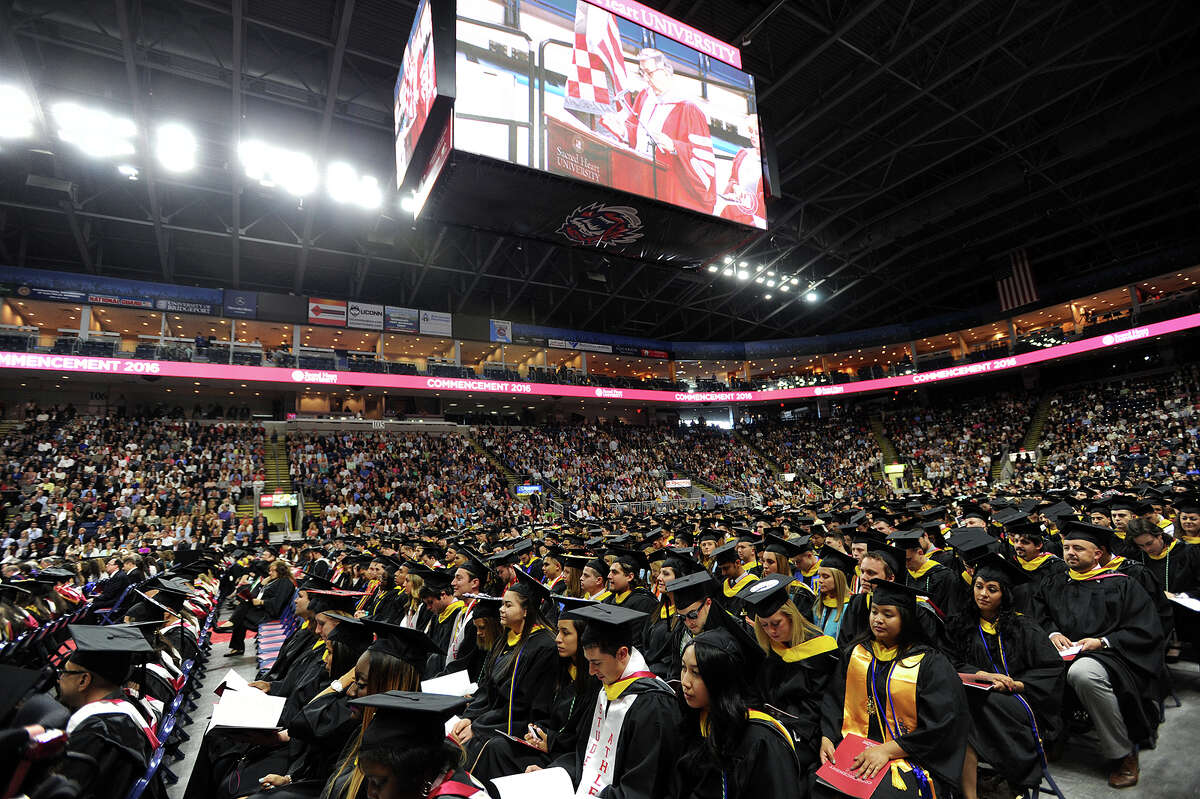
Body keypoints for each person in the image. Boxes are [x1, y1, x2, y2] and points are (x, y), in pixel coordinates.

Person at [1032, 520, 1164, 788]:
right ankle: (1052, 735)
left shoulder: (1122, 584)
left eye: (1078, 548)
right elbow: (1038, 616)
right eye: (1067, 547)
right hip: (1060, 650)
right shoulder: (1053, 581)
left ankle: (1122, 753)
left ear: (1098, 553)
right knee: (1029, 667)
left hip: (1111, 655)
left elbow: (1146, 628)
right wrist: (1052, 633)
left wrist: (1102, 641)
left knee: (1083, 674)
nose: (1070, 552)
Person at [819, 580, 969, 798]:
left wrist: (888, 750)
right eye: (874, 612)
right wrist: (827, 736)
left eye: (888, 614)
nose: (878, 620)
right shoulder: (856, 654)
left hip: (910, 756)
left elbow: (943, 725)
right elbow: (834, 700)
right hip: (855, 749)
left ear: (905, 619)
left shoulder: (930, 664)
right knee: (819, 787)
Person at [948, 555, 1065, 799]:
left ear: (1005, 594)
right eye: (978, 586)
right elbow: (950, 661)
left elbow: (1051, 668)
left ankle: (1010, 777)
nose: (983, 594)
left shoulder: (1024, 627)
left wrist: (1016, 684)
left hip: (1021, 698)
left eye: (992, 589)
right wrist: (981, 674)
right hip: (976, 695)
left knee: (967, 718)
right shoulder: (961, 625)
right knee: (963, 715)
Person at [538, 603, 681, 799]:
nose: (590, 671)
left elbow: (641, 787)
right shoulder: (607, 691)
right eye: (588, 662)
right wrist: (553, 774)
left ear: (622, 654)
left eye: (596, 663)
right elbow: (586, 758)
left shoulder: (653, 706)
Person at [469, 595, 600, 783]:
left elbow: (583, 740)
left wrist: (551, 741)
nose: (557, 639)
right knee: (497, 746)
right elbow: (542, 710)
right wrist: (536, 732)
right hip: (547, 746)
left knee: (497, 749)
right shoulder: (561, 668)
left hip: (567, 758)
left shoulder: (594, 682)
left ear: (583, 636)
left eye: (565, 633)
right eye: (558, 632)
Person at [672, 628, 802, 797]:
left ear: (720, 679)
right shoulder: (694, 718)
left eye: (696, 673)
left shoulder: (760, 740)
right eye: (683, 668)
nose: (685, 682)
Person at [450, 569, 557, 768]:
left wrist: (479, 728)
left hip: (515, 725)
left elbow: (520, 704)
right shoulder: (505, 639)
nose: (501, 609)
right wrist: (469, 717)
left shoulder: (543, 647)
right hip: (490, 720)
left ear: (526, 610)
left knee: (475, 748)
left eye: (508, 605)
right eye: (502, 604)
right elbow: (486, 690)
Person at [739, 573, 838, 782]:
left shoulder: (822, 650)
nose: (771, 631)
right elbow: (756, 693)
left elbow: (828, 702)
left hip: (806, 731)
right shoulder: (769, 650)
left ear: (791, 616)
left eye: (776, 623)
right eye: (764, 625)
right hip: (771, 724)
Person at [46, 624, 159, 799]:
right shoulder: (126, 706)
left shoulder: (92, 734)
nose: (60, 679)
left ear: (83, 680)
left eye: (64, 672)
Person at [602, 48, 716, 214]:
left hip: (668, 191)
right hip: (640, 181)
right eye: (642, 74)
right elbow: (639, 137)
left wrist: (675, 146)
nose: (646, 80)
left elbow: (704, 161)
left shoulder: (688, 109)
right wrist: (623, 131)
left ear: (665, 72)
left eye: (650, 73)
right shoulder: (644, 97)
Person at [350, 692, 490, 799]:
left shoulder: (452, 795)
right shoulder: (437, 776)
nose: (370, 793)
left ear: (416, 774)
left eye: (379, 782)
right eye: (369, 780)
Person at [227, 559, 295, 656]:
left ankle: (232, 625)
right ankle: (236, 641)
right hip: (264, 609)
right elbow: (255, 592)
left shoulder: (285, 583)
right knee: (243, 607)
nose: (270, 573)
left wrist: (262, 602)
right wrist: (262, 584)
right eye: (269, 570)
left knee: (241, 615)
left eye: (272, 571)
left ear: (280, 571)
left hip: (270, 614)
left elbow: (278, 602)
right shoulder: (276, 580)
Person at [718, 114, 765, 227]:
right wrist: (735, 187)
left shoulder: (767, 167)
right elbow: (733, 179)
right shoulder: (743, 154)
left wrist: (748, 198)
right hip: (735, 209)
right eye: (751, 132)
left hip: (756, 218)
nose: (752, 136)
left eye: (757, 133)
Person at [812, 547, 854, 640]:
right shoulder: (818, 603)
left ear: (839, 579)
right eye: (819, 576)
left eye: (825, 576)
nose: (820, 580)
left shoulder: (850, 606)